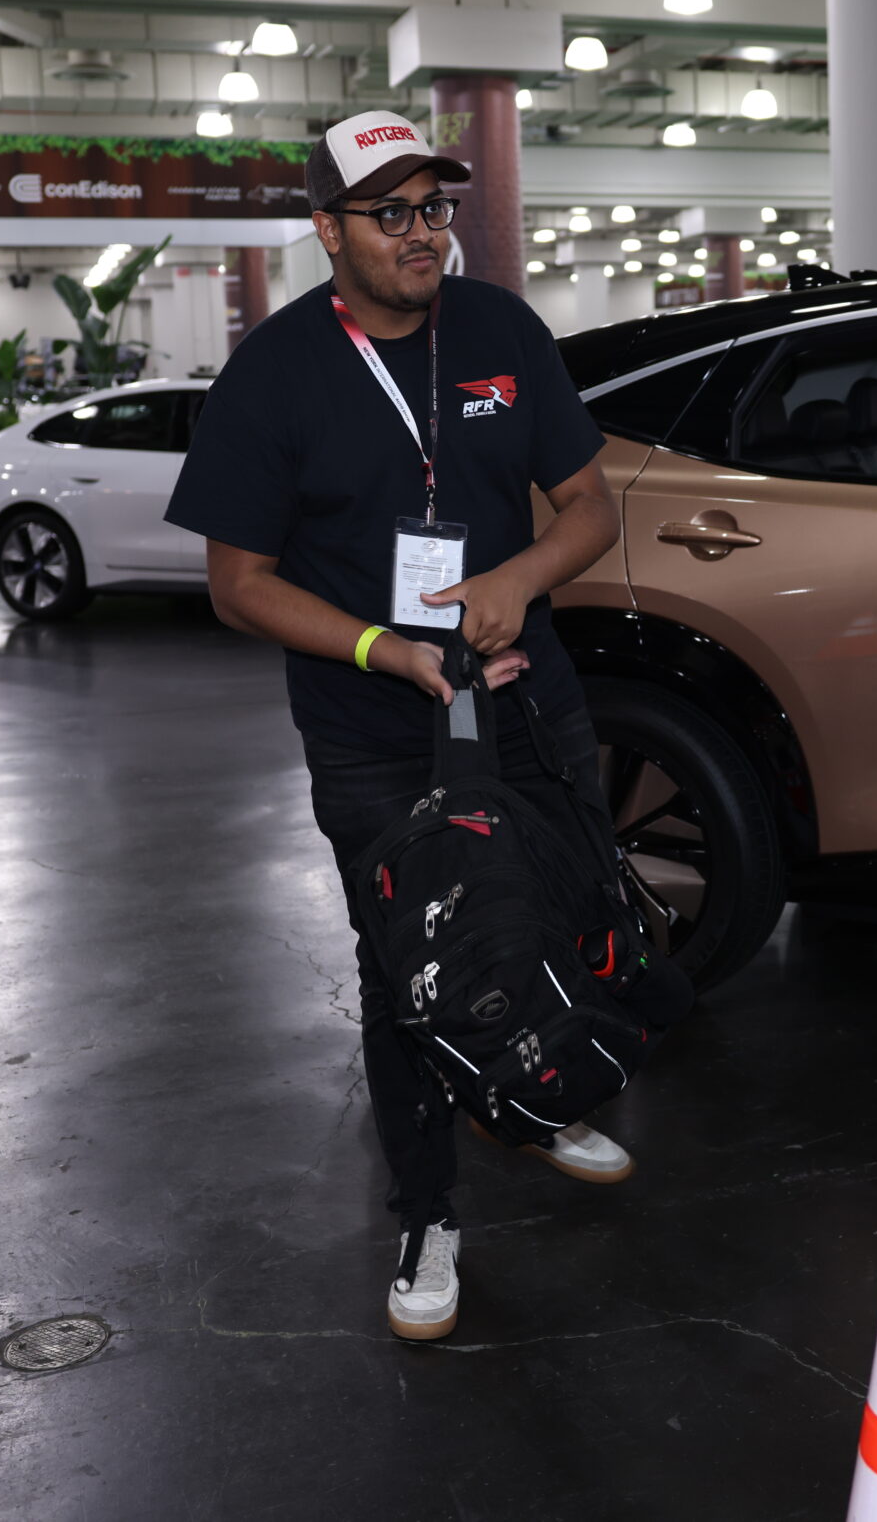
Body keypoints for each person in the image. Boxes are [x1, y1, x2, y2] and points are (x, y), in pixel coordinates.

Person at [166, 110, 629, 1344]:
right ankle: (427, 1209)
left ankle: (540, 1099)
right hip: (374, 726)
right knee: (411, 964)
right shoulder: (272, 375)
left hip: (524, 694)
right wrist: (383, 646)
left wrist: (519, 577)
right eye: (391, 214)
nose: (422, 234)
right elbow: (238, 584)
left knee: (561, 911)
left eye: (434, 208)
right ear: (328, 230)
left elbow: (590, 506)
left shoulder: (500, 330)